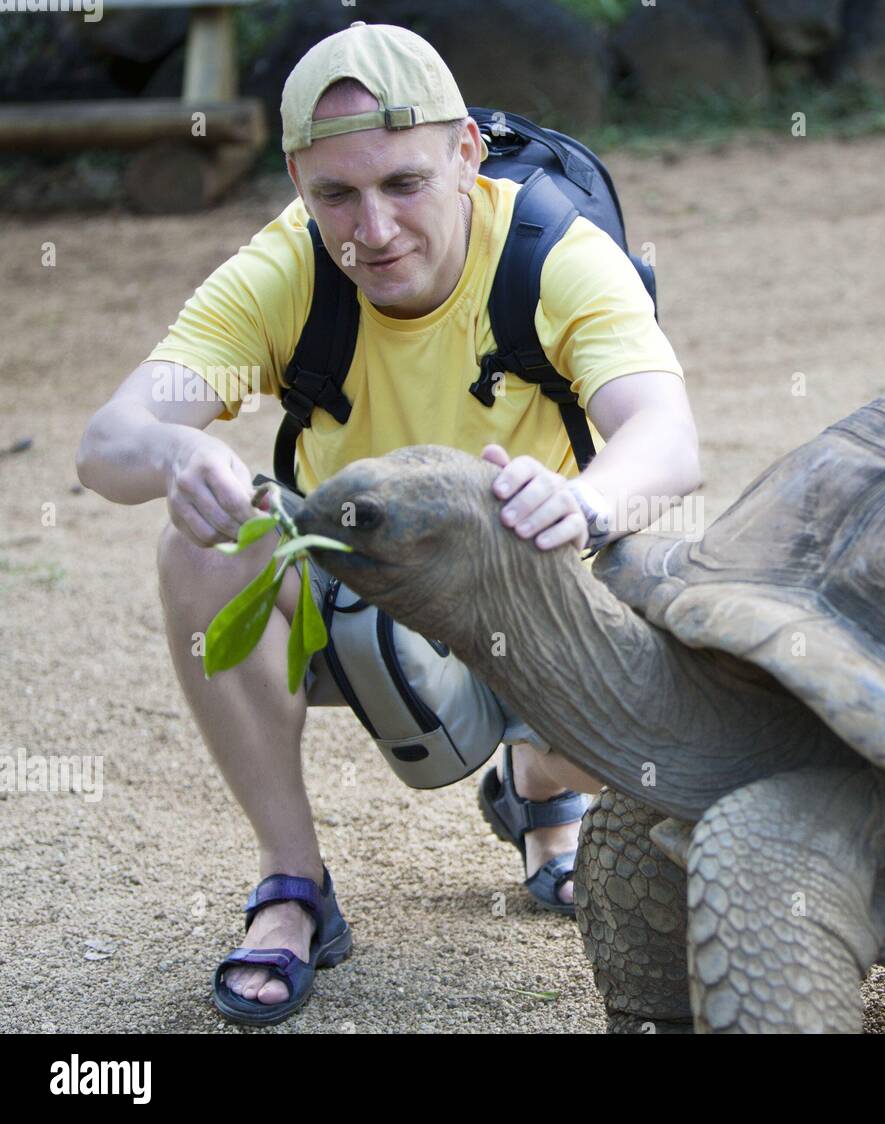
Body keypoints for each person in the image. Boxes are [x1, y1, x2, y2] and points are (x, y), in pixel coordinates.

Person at [75, 21, 700, 1024]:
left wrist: (582, 501)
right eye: (335, 195)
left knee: (688, 644)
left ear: (464, 153)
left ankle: (543, 781)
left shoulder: (553, 252)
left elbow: (666, 437)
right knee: (203, 539)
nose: (371, 229)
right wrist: (173, 452)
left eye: (403, 184)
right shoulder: (288, 270)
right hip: (358, 598)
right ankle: (293, 886)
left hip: (538, 583)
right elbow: (108, 439)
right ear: (296, 181)